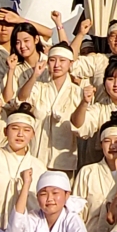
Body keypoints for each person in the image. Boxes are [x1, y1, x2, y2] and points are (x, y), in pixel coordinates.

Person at [15, 41, 83, 173]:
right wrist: (34, 76)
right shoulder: (39, 87)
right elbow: (21, 99)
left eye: (62, 60)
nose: (57, 65)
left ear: (71, 63)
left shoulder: (77, 92)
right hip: (37, 154)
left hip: (63, 157)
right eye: (52, 60)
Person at [73, 117, 117, 232]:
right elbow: (77, 211)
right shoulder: (87, 172)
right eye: (107, 141)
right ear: (101, 144)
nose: (112, 145)